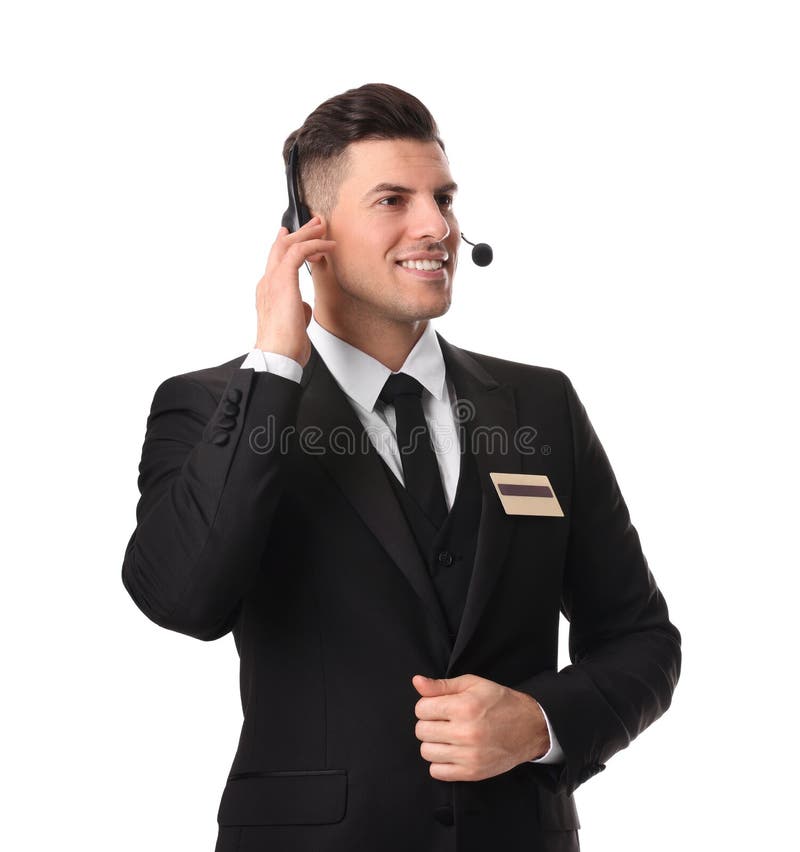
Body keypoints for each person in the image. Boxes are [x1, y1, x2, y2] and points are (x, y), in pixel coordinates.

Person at [122, 82, 681, 852]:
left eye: (443, 199)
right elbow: (183, 598)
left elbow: (642, 638)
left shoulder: (540, 405)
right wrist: (273, 369)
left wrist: (540, 724)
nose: (436, 226)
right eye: (393, 200)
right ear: (306, 231)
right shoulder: (210, 404)